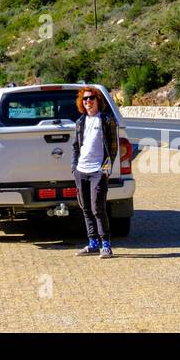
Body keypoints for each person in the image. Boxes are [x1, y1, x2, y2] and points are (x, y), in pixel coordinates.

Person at [71, 86, 117, 258]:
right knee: (86, 208)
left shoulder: (106, 120)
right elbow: (76, 146)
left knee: (98, 207)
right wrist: (74, 168)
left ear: (98, 100)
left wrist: (106, 170)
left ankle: (106, 245)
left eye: (91, 98)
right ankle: (92, 244)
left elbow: (113, 147)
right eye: (85, 99)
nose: (88, 101)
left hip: (98, 171)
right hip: (81, 170)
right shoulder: (80, 123)